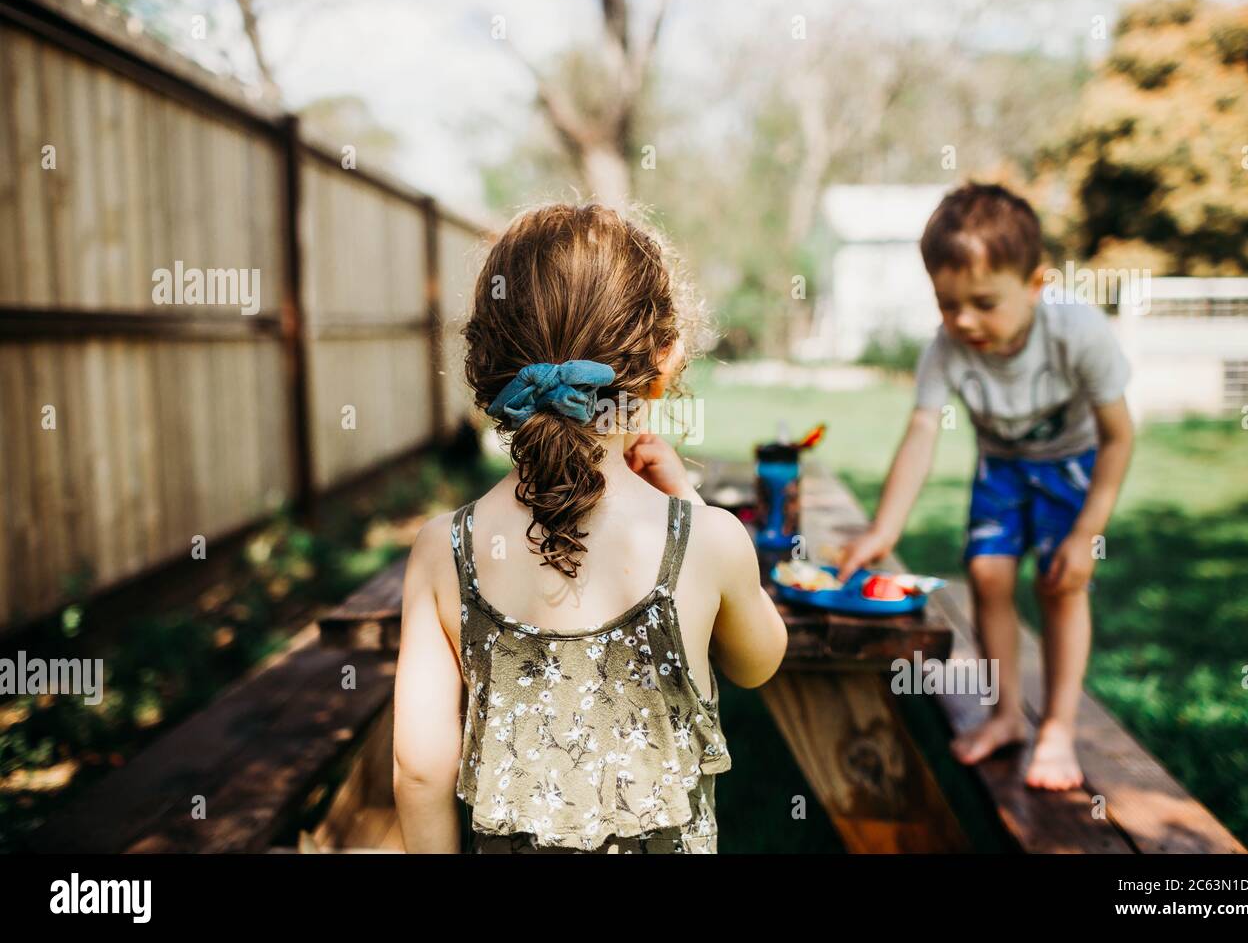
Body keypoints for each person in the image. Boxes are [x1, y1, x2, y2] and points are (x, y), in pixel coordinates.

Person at [393, 203, 788, 852]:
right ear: (663, 363)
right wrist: (688, 501)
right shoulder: (708, 541)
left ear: (490, 365)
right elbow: (758, 662)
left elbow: (418, 771)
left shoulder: (445, 551)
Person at [837, 183, 1135, 790]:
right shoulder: (945, 349)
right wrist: (883, 529)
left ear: (1036, 285)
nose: (964, 320)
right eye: (947, 304)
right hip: (1000, 468)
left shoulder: (1078, 333)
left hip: (1071, 468)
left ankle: (1056, 727)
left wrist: (1086, 533)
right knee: (989, 578)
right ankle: (1007, 717)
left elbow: (1119, 438)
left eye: (983, 302)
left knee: (1060, 587)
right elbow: (921, 434)